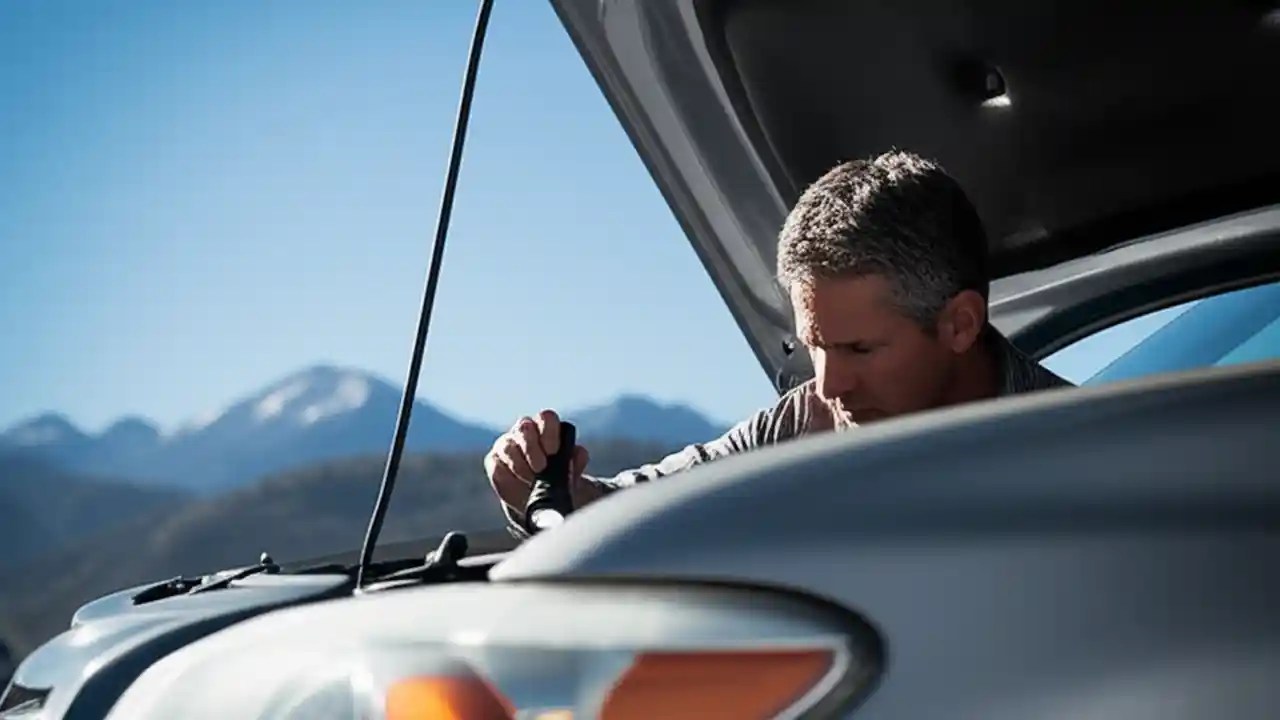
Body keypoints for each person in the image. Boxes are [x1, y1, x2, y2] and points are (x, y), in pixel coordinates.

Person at [485, 150, 1072, 531]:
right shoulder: (798, 425)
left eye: (859, 349)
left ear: (960, 325)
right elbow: (648, 507)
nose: (829, 385)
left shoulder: (1086, 457)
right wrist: (551, 491)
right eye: (816, 346)